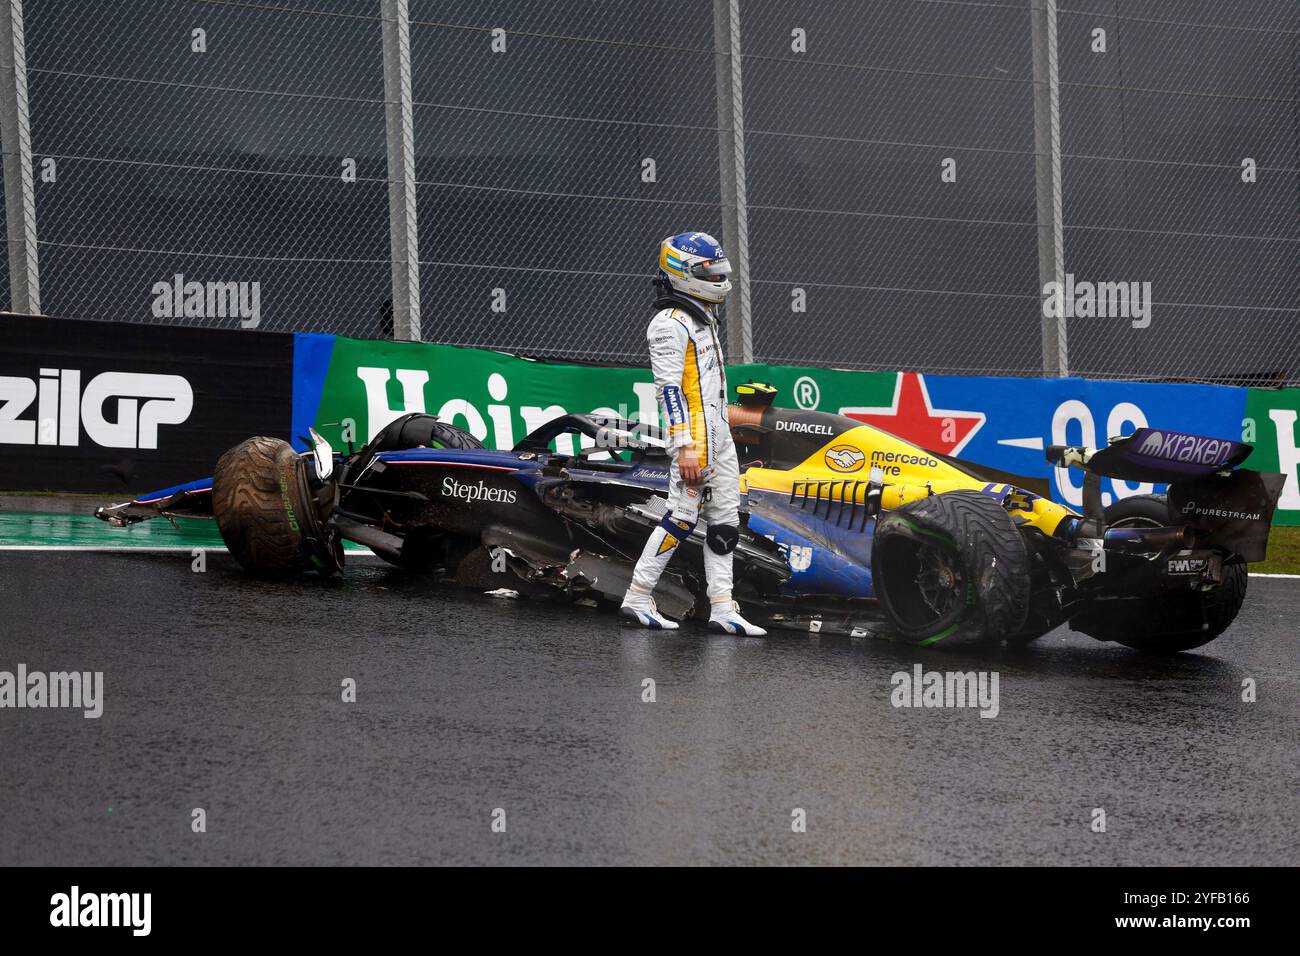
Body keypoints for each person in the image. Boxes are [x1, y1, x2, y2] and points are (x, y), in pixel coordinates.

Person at [619, 232, 767, 636]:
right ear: (682, 273)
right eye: (708, 271)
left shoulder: (701, 314)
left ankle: (722, 606)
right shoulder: (669, 324)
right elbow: (669, 390)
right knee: (681, 517)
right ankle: (636, 595)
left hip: (717, 430)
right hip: (696, 436)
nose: (718, 277)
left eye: (719, 269)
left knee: (724, 521)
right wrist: (684, 447)